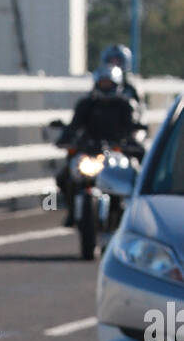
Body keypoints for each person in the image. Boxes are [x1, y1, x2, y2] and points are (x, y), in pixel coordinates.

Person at [55, 65, 146, 225]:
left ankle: (137, 212)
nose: (105, 86)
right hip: (91, 151)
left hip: (117, 152)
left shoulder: (126, 105)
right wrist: (66, 138)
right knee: (64, 176)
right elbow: (74, 126)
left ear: (116, 84)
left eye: (108, 83)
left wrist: (130, 141)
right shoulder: (86, 104)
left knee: (138, 175)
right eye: (102, 82)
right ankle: (70, 210)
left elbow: (134, 128)